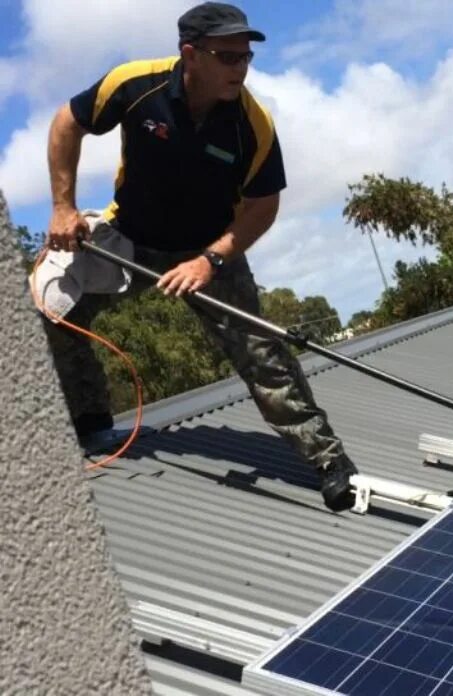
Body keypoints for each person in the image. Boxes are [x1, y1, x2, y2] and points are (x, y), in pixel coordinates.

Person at [42, 2, 357, 511]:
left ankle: (329, 461)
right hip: (130, 236)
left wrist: (211, 261)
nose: (240, 68)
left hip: (208, 250)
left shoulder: (252, 125)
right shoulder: (133, 84)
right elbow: (66, 122)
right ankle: (91, 422)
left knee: (261, 354)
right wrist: (63, 207)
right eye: (228, 57)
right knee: (51, 307)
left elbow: (263, 206)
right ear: (190, 54)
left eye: (246, 57)